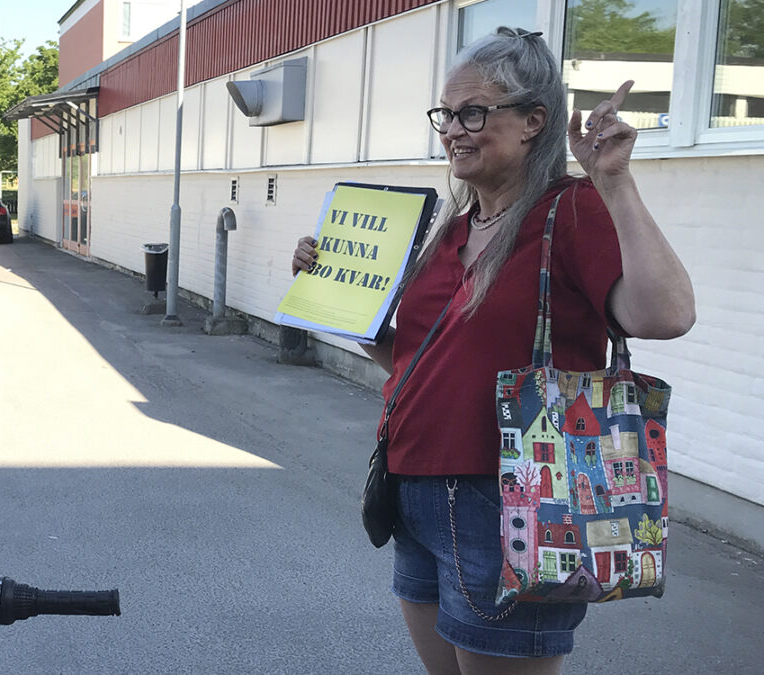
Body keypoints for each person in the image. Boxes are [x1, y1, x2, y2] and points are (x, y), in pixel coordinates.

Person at [291, 28, 694, 675]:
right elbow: (409, 357)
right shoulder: (454, 227)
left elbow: (668, 314)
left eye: (473, 112)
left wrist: (614, 182)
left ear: (535, 121)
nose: (453, 128)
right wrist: (333, 291)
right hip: (414, 494)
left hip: (510, 500)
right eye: (446, 114)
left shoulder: (571, 212)